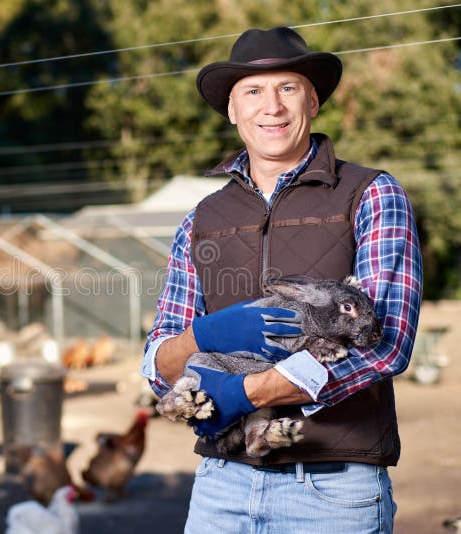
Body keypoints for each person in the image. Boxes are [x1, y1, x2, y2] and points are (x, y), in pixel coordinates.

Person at [141, 26, 423, 533]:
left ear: (312, 101)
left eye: (287, 88)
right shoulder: (200, 219)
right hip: (220, 485)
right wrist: (205, 337)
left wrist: (249, 394)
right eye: (252, 91)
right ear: (232, 110)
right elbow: (159, 364)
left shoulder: (372, 195)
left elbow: (385, 344)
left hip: (334, 490)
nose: (270, 106)